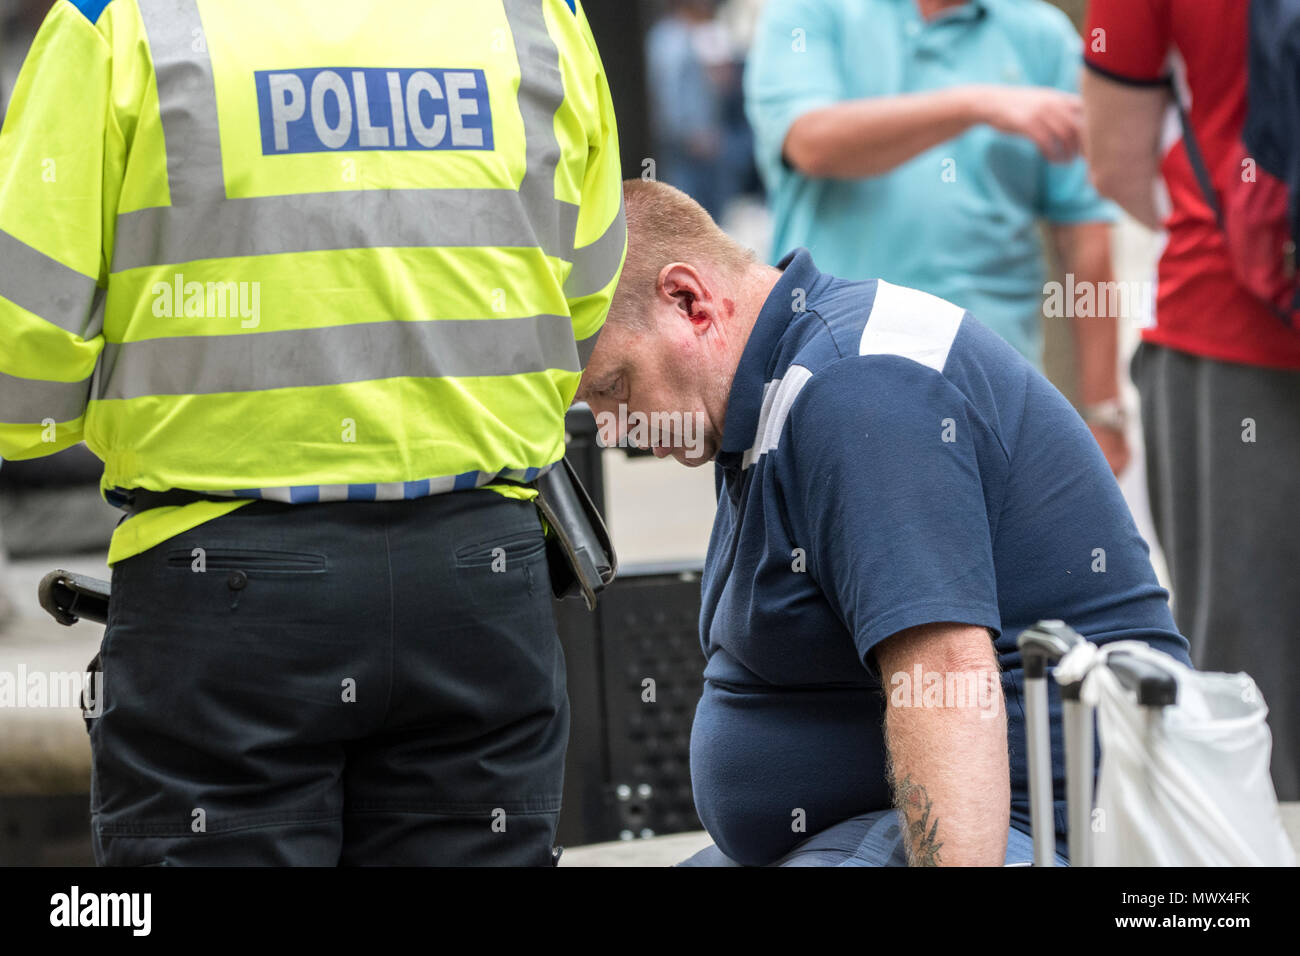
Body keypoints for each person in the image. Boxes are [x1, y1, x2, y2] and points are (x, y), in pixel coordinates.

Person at [0, 0, 624, 865]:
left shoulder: (119, 19)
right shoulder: (539, 17)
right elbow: (581, 302)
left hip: (222, 591)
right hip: (478, 582)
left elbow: (19, 371)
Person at [576, 179, 1190, 866]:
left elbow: (948, 681)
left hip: (1030, 828)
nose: (610, 428)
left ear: (690, 302)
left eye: (613, 387)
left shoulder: (856, 387)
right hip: (868, 824)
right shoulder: (768, 384)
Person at [745, 0, 1131, 476]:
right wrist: (978, 104)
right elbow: (810, 142)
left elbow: (1085, 236)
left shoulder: (1042, 35)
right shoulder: (811, 12)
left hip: (988, 393)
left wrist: (1102, 411)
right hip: (825, 386)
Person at [1081, 0, 1300, 801]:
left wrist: (1246, 229)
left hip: (1235, 330)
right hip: (1235, 342)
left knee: (1253, 719)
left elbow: (1115, 161)